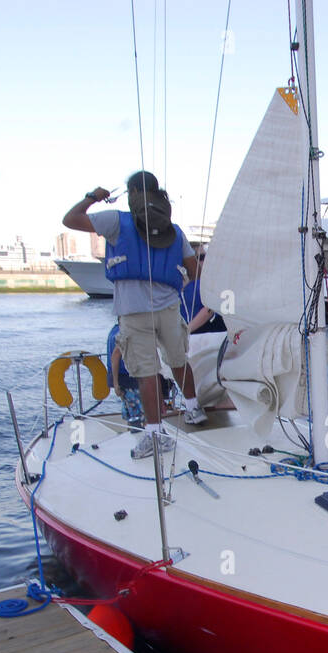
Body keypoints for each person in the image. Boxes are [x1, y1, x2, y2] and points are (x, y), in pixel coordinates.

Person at [63, 171, 206, 460]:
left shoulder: (115, 220)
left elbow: (70, 219)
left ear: (130, 195)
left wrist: (93, 197)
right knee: (178, 360)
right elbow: (194, 270)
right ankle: (193, 408)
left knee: (146, 373)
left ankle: (155, 435)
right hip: (168, 307)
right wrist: (179, 283)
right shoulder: (174, 231)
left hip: (133, 310)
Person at [180, 246, 227, 334]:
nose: (205, 260)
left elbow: (208, 310)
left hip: (204, 329)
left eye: (206, 256)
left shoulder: (211, 279)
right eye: (201, 258)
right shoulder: (176, 281)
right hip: (183, 330)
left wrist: (186, 330)